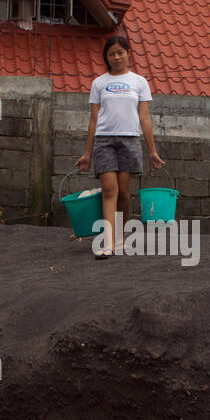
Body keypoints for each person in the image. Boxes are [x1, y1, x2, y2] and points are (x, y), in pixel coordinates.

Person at [76, 36, 164, 257]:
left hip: (129, 140)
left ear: (128, 54)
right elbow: (93, 119)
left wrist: (152, 151)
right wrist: (87, 153)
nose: (116, 57)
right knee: (108, 190)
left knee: (124, 193)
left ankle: (121, 236)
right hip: (104, 141)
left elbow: (144, 118)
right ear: (106, 57)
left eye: (120, 52)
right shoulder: (98, 83)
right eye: (111, 54)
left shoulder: (139, 82)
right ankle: (108, 242)